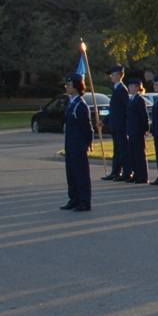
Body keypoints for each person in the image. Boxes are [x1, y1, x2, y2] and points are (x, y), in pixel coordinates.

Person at [61, 73, 94, 212]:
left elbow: (86, 126)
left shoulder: (80, 105)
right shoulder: (71, 103)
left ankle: (84, 201)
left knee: (81, 175)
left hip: (78, 145)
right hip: (70, 145)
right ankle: (74, 199)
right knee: (72, 174)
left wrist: (88, 142)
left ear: (76, 86)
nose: (66, 87)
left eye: (69, 85)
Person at [123, 74, 150, 184]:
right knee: (133, 153)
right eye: (129, 86)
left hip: (138, 130)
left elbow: (144, 115)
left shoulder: (139, 100)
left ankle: (142, 175)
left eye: (132, 86)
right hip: (132, 130)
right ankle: (136, 174)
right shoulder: (131, 100)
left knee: (139, 154)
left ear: (137, 87)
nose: (129, 88)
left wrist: (146, 128)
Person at [104, 66, 129, 181]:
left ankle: (126, 172)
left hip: (120, 125)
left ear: (119, 76)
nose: (111, 77)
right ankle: (115, 172)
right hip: (115, 124)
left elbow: (126, 108)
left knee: (123, 149)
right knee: (117, 149)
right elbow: (114, 110)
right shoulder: (116, 89)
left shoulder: (122, 90)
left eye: (113, 75)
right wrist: (104, 121)